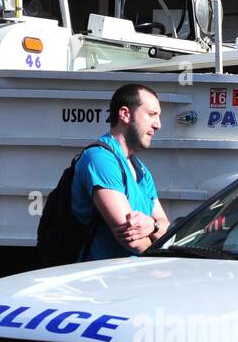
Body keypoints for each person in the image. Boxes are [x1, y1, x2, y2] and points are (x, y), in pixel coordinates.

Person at [70, 84, 168, 261]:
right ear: (124, 114)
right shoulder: (100, 159)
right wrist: (163, 254)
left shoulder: (141, 170)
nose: (158, 124)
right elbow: (132, 240)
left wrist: (153, 226)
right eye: (152, 114)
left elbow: (165, 226)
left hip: (134, 280)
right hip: (101, 283)